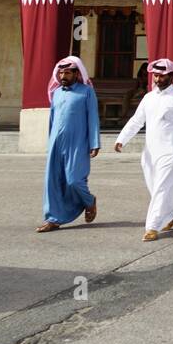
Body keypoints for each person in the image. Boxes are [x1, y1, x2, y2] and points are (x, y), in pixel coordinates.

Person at [115, 58, 173, 242]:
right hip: (150, 153)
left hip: (171, 152)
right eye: (155, 76)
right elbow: (137, 121)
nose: (158, 79)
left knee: (161, 188)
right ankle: (170, 215)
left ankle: (152, 227)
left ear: (171, 76)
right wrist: (122, 139)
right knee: (156, 189)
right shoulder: (148, 98)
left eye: (162, 76)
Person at [36, 56, 100, 233]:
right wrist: (50, 143)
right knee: (53, 182)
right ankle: (53, 219)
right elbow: (52, 120)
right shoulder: (56, 93)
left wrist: (94, 143)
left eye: (67, 72)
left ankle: (89, 201)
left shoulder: (86, 91)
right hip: (56, 144)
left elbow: (93, 118)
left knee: (73, 180)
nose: (63, 75)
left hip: (78, 143)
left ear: (76, 74)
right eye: (61, 72)